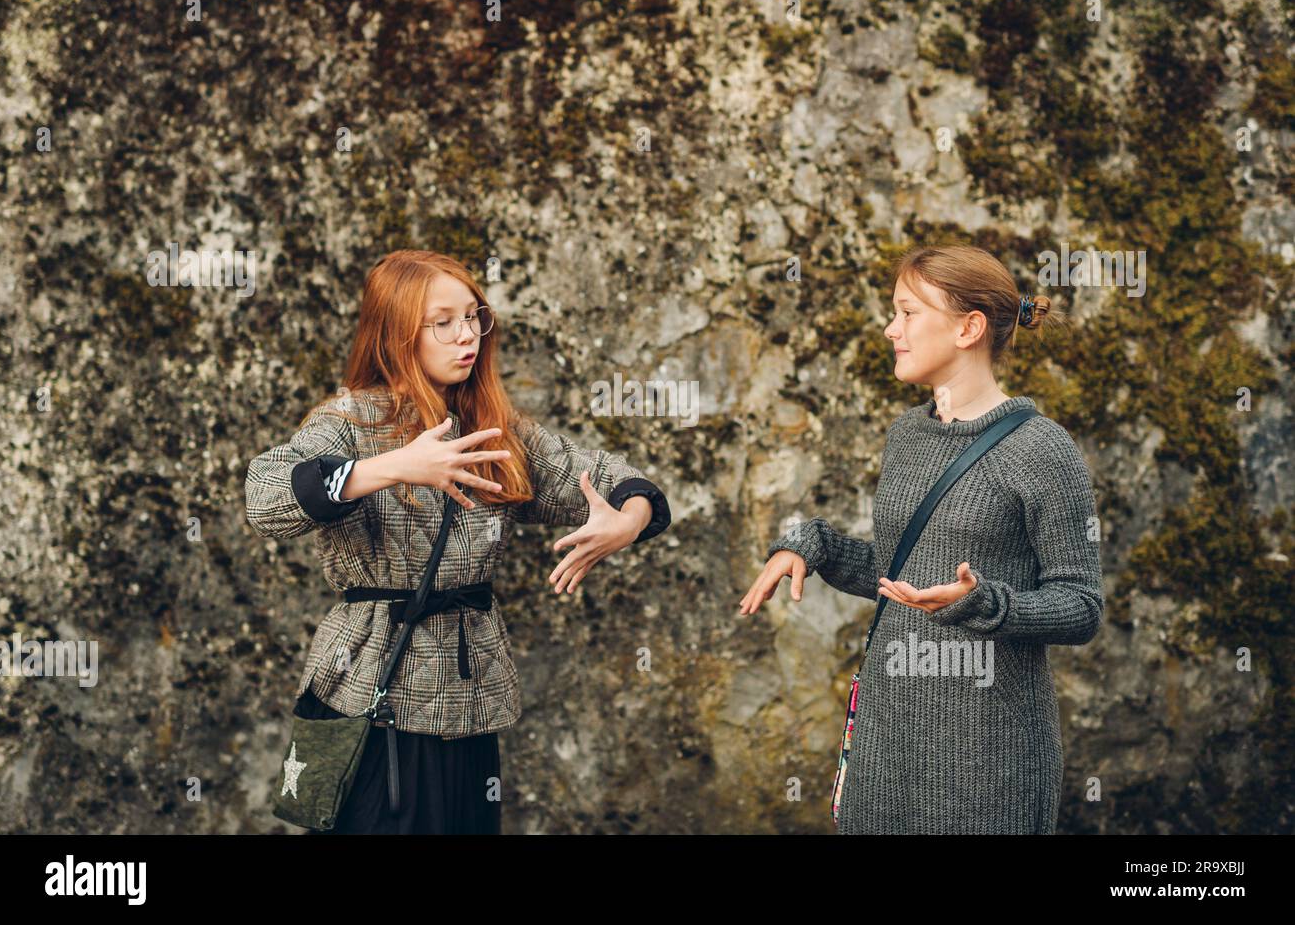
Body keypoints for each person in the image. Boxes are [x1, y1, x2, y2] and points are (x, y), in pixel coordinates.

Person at [245, 249, 671, 834]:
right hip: (376, 691)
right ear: (397, 335)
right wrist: (395, 465)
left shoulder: (491, 423)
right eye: (441, 322)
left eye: (473, 317)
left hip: (470, 692)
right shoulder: (347, 420)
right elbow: (265, 496)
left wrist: (628, 519)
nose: (465, 335)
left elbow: (609, 474)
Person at [739, 244, 1104, 834]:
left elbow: (1081, 608)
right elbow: (898, 575)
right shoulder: (907, 434)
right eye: (894, 312)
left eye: (908, 313)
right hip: (887, 743)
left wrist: (984, 602)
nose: (891, 329)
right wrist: (814, 545)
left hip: (989, 757)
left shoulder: (1043, 450)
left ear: (969, 327)